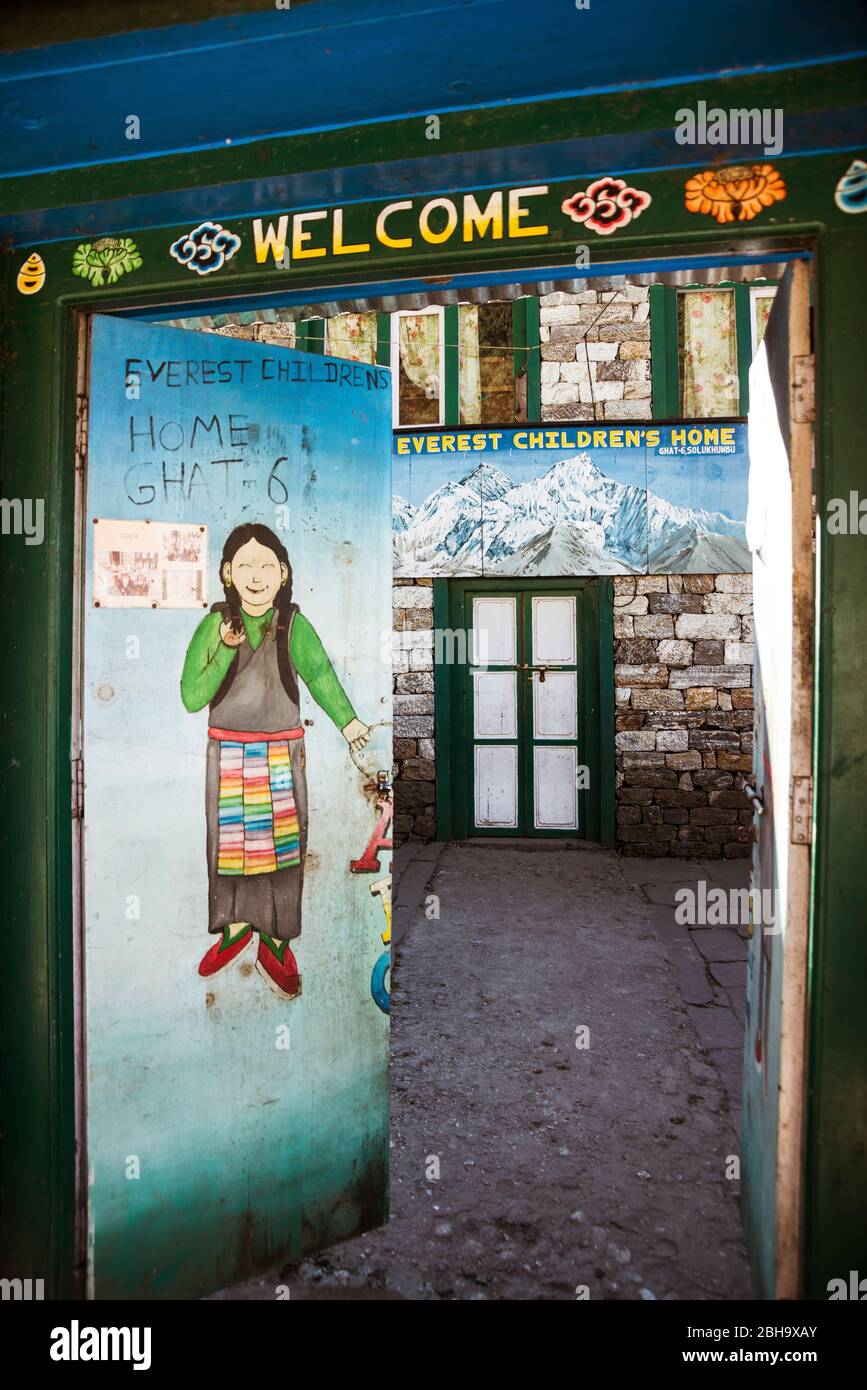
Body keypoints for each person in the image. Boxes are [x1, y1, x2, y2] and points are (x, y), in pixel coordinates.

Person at [180, 523, 370, 999]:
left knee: (283, 850)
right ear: (228, 572)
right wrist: (224, 649)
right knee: (228, 848)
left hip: (283, 754)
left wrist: (349, 725)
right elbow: (191, 695)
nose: (257, 575)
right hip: (226, 753)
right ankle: (233, 930)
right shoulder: (215, 624)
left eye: (267, 565)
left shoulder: (293, 626)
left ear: (283, 573)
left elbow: (320, 674)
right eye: (245, 565)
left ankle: (276, 939)